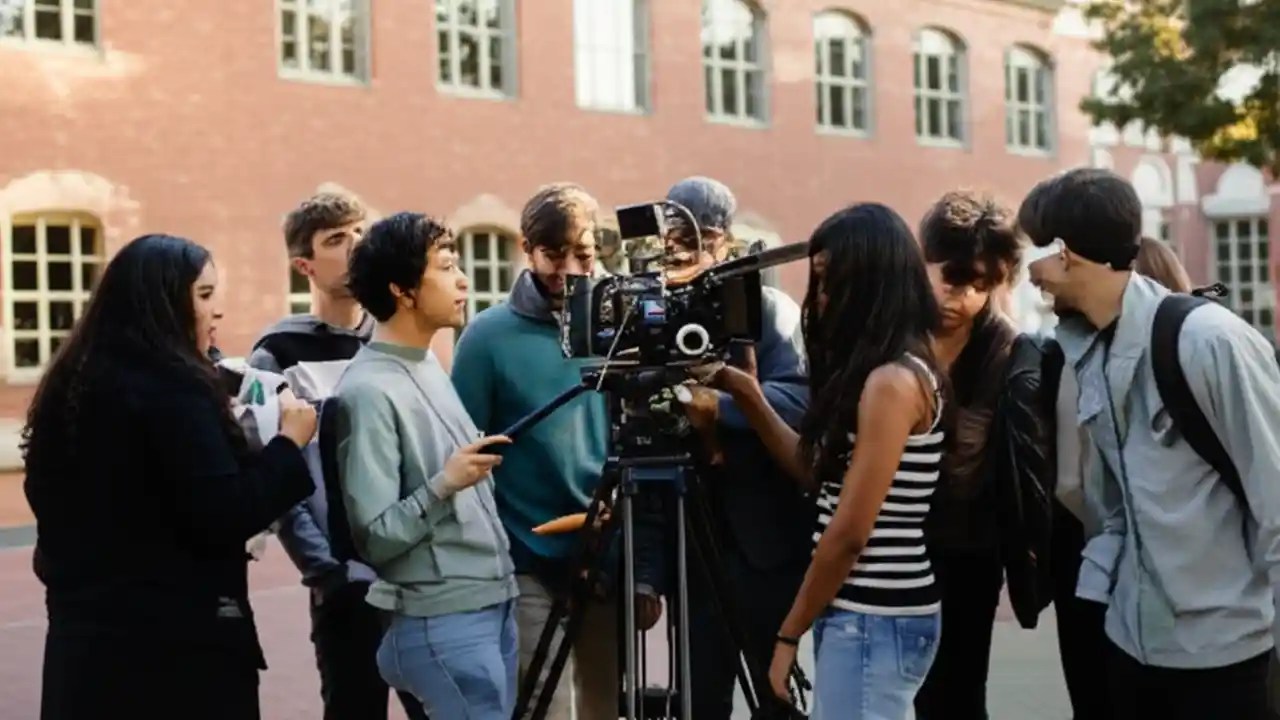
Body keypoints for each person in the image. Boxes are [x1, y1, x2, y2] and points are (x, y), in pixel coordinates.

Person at [1019, 168, 1280, 719]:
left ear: (1065, 252)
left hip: (1224, 660)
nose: (1030, 275)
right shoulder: (1088, 351)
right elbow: (1115, 508)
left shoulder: (1210, 340)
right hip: (1131, 649)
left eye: (1033, 256)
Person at [24, 234, 318, 720]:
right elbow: (224, 512)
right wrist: (290, 442)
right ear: (163, 303)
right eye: (204, 295)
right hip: (177, 652)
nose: (215, 311)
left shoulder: (72, 383)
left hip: (84, 648)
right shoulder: (173, 390)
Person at [709, 203, 944, 719]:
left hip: (873, 614)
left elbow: (850, 532)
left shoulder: (891, 383)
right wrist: (748, 394)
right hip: (867, 614)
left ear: (872, 284)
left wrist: (789, 633)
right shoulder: (886, 371)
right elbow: (817, 473)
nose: (818, 299)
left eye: (828, 282)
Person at [451, 182, 662, 719]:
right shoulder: (486, 338)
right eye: (553, 254)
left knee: (604, 707)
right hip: (527, 560)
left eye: (584, 254)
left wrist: (641, 569)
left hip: (609, 551)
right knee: (543, 708)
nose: (569, 270)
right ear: (527, 248)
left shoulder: (623, 330)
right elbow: (467, 457)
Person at [247, 193, 427, 720]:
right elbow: (276, 471)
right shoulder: (276, 352)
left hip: (413, 576)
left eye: (358, 233)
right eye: (336, 239)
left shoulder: (397, 340)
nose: (355, 246)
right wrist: (325, 571)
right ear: (305, 264)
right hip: (344, 586)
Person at [334, 211, 519, 719]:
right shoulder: (368, 391)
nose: (463, 279)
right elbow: (373, 537)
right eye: (445, 266)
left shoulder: (428, 362)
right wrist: (446, 483)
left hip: (489, 603)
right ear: (403, 290)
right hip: (443, 619)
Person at [667, 176, 814, 720]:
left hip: (766, 548)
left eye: (699, 238)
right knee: (701, 700)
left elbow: (796, 399)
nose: (684, 251)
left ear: (725, 241)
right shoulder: (657, 311)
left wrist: (715, 404)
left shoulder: (768, 310)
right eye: (674, 237)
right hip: (694, 545)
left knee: (773, 699)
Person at [1046, 234, 1193, 720]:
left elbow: (1070, 482)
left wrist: (1109, 529)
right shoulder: (1193, 348)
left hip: (1095, 563)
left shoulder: (1078, 357)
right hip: (1194, 570)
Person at [911, 191, 1032, 720]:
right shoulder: (896, 330)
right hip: (886, 545)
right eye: (953, 274)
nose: (961, 294)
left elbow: (970, 462)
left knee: (956, 696)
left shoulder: (1005, 347)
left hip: (966, 552)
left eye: (982, 283)